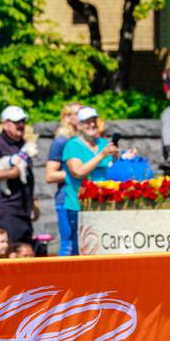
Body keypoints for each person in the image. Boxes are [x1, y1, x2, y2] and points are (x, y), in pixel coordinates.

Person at [0, 105, 38, 245]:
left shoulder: (22, 145)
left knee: (25, 253)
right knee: (10, 253)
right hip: (5, 210)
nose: (21, 125)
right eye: (17, 122)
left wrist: (33, 202)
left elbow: (27, 175)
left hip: (23, 209)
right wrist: (10, 173)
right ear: (5, 124)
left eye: (23, 121)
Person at [60, 107, 117, 255]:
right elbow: (77, 172)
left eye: (93, 121)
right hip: (80, 207)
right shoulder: (72, 145)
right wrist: (101, 155)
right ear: (79, 125)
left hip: (104, 205)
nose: (91, 125)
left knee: (104, 249)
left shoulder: (103, 143)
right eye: (87, 122)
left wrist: (123, 158)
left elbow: (113, 169)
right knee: (82, 250)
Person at [45, 102, 83, 255]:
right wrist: (78, 172)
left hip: (83, 198)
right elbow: (50, 175)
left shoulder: (85, 141)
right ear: (68, 117)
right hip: (66, 200)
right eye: (78, 113)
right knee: (68, 244)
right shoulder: (61, 141)